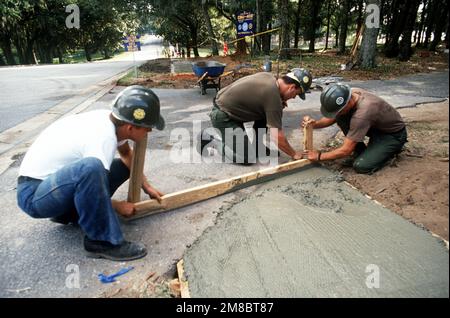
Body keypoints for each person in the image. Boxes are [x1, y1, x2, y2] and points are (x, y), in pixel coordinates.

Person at [17, 85, 165, 261]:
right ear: (130, 127)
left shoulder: (114, 122)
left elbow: (126, 155)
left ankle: (68, 213)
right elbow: (92, 181)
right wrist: (118, 206)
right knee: (92, 168)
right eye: (147, 127)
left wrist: (147, 187)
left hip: (54, 187)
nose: (149, 131)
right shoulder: (103, 138)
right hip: (35, 194)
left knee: (121, 167)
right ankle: (102, 241)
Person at [201, 68, 312, 164]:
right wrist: (294, 154)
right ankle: (212, 141)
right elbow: (276, 135)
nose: (293, 98)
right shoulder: (273, 97)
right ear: (292, 87)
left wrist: (277, 105)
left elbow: (262, 102)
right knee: (247, 157)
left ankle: (257, 147)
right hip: (223, 116)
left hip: (230, 109)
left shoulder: (270, 79)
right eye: (296, 94)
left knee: (267, 114)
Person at [302, 83, 408, 174]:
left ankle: (388, 151)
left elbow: (345, 150)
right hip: (374, 127)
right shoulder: (350, 93)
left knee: (361, 166)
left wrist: (319, 156)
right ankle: (361, 151)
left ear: (348, 103)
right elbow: (333, 117)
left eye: (338, 111)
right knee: (342, 117)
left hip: (392, 135)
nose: (337, 114)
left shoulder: (362, 114)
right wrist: (314, 124)